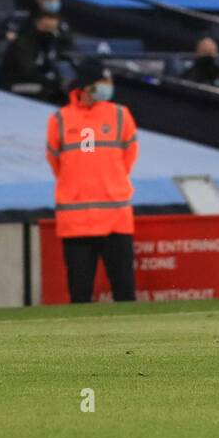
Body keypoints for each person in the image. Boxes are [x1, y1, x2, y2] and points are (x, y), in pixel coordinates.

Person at [46, 60, 138, 303]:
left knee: (125, 293)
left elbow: (129, 158)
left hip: (115, 220)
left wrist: (106, 181)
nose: (108, 87)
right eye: (102, 82)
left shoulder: (120, 115)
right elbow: (55, 162)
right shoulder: (60, 119)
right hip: (76, 223)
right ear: (87, 86)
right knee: (79, 295)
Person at [0, 10, 64, 101]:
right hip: (13, 83)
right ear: (37, 24)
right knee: (47, 90)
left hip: (35, 81)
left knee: (64, 92)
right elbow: (27, 71)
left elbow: (49, 66)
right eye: (46, 27)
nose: (49, 31)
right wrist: (50, 82)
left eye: (52, 28)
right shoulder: (23, 43)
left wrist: (59, 81)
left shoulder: (48, 43)